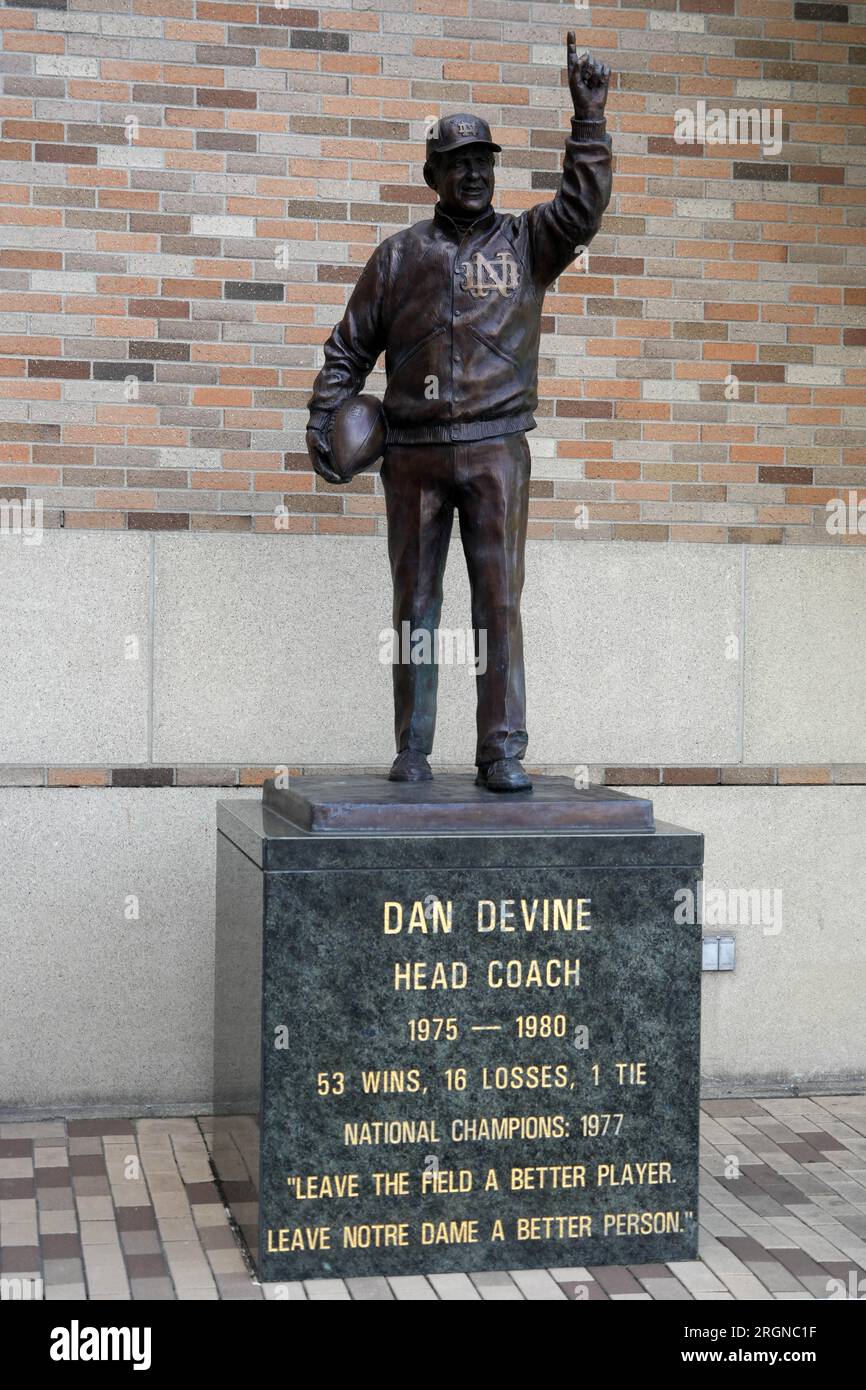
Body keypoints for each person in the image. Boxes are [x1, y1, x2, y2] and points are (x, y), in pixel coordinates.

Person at [306, 34, 612, 792]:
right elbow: (348, 348)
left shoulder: (528, 242)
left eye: (484, 161)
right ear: (432, 175)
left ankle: (501, 750)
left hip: (495, 449)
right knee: (413, 608)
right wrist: (324, 419)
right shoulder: (399, 256)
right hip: (410, 454)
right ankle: (412, 748)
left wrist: (589, 120)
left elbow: (582, 206)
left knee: (498, 603)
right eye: (459, 162)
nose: (474, 172)